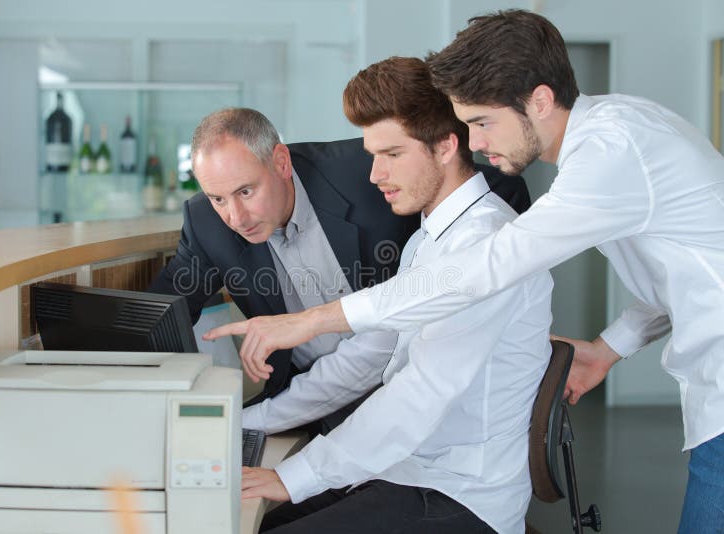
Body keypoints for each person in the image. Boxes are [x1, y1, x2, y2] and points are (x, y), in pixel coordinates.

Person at [205, 10, 724, 532]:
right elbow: (682, 274)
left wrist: (313, 321)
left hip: (460, 489)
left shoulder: (603, 158)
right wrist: (612, 347)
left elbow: (485, 271)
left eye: (481, 122)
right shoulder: (611, 144)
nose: (475, 142)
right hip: (423, 472)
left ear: (539, 101)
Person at [236, 56, 553, 534]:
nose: (374, 174)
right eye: (372, 155)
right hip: (410, 472)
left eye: (393, 154)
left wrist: (294, 475)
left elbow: (418, 394)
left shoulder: (484, 245)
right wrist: (253, 422)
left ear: (446, 146)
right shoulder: (428, 240)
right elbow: (370, 352)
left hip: (461, 495)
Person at [149, 107, 531, 419]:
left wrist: (500, 308)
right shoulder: (206, 222)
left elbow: (499, 187)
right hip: (311, 406)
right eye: (218, 199)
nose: (235, 216)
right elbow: (162, 311)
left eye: (246, 192)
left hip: (410, 389)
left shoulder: (364, 171)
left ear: (280, 162)